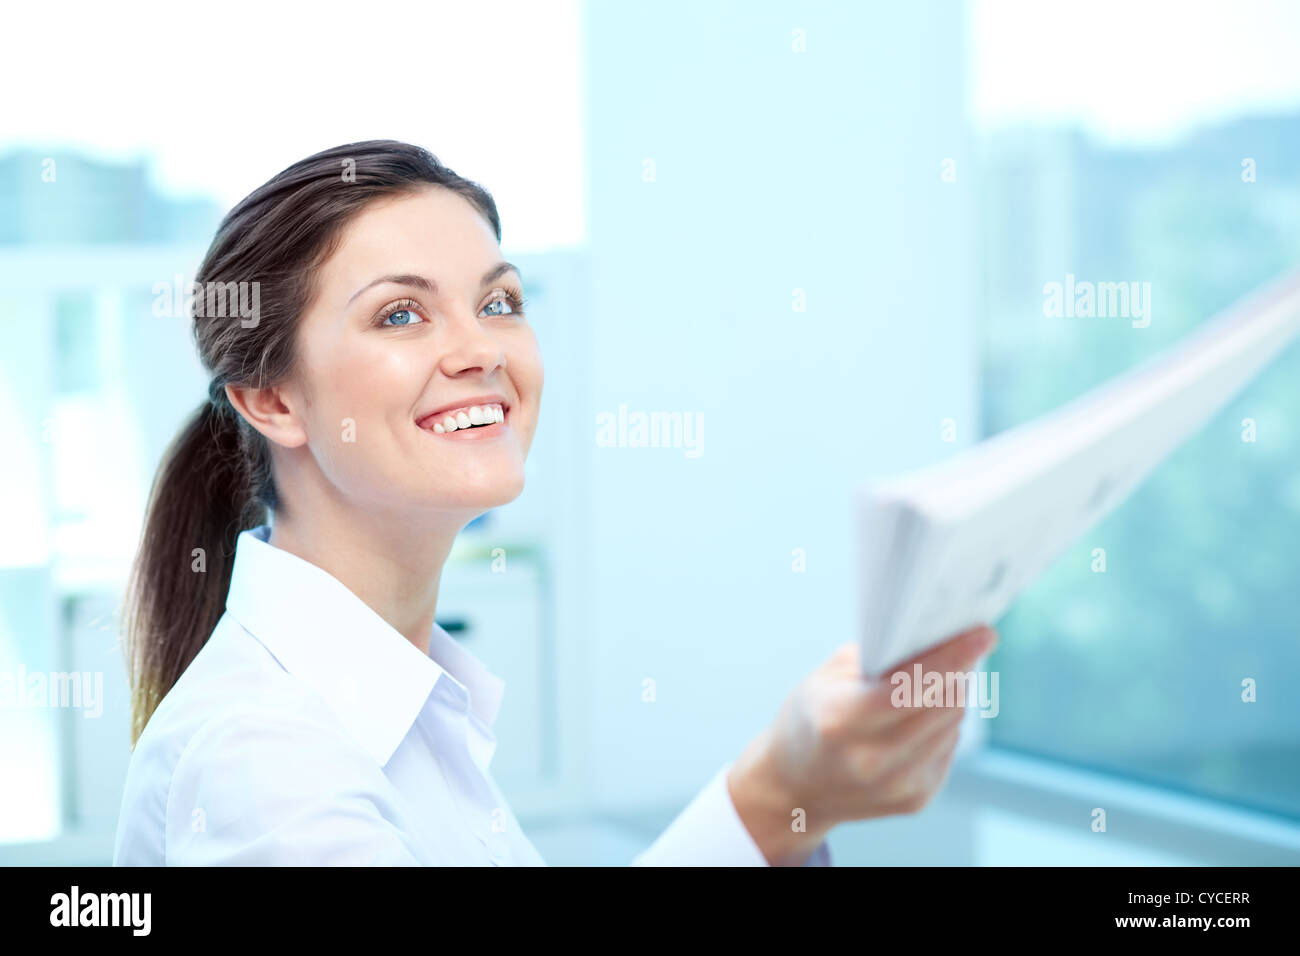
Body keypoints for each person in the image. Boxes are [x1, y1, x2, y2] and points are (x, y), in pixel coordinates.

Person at [113, 140, 997, 866]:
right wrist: (773, 801)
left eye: (498, 302)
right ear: (271, 401)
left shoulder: (405, 709)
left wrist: (785, 805)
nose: (480, 350)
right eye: (400, 316)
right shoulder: (259, 760)